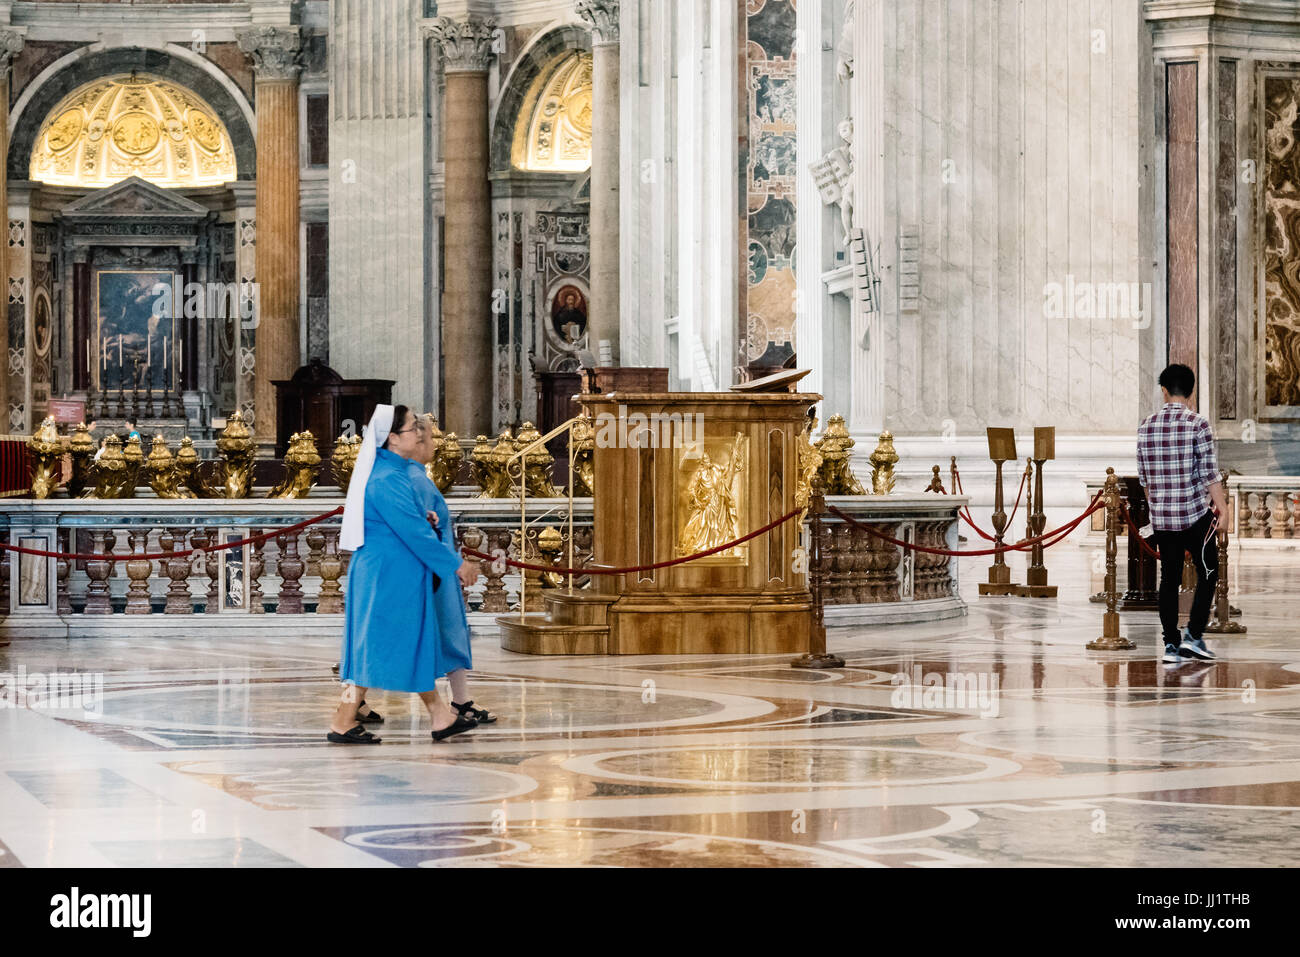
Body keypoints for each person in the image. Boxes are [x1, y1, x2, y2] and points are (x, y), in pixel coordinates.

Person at [327, 404, 481, 744]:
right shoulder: (386, 478)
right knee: (387, 644)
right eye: (414, 428)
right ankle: (437, 714)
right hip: (388, 575)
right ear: (393, 438)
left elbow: (408, 522)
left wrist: (425, 518)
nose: (420, 434)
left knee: (384, 645)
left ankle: (348, 717)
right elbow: (413, 532)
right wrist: (456, 563)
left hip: (395, 572)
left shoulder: (391, 473)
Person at [1136, 364, 1228, 663]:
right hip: (1194, 516)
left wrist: (1157, 511)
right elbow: (1209, 474)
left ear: (1164, 391)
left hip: (1163, 518)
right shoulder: (1198, 424)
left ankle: (1171, 646)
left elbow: (1145, 480)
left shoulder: (1146, 426)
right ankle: (1193, 636)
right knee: (1209, 571)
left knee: (1168, 579)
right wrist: (1223, 510)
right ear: (1191, 391)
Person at [411, 414, 496, 724]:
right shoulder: (416, 480)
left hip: (440, 566)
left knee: (448, 632)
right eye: (431, 438)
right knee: (441, 632)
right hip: (435, 570)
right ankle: (352, 704)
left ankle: (460, 701)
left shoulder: (418, 476)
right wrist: (455, 565)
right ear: (417, 442)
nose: (435, 444)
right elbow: (421, 531)